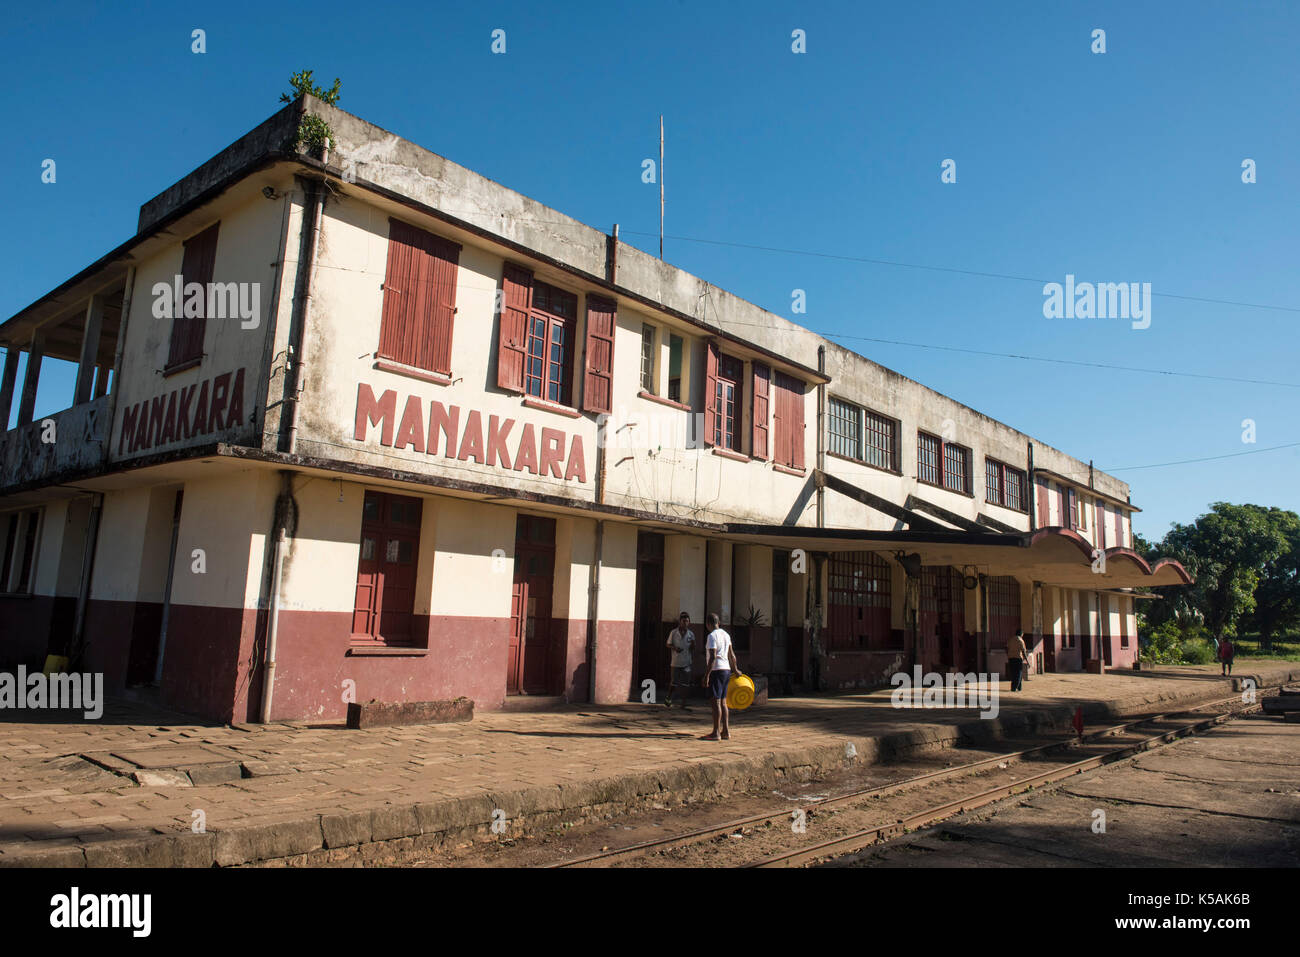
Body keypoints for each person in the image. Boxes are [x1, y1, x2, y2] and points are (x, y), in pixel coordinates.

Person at [701, 613, 740, 741]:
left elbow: (712, 657)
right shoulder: (726, 635)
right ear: (719, 622)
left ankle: (716, 732)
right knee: (723, 701)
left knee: (715, 701)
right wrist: (735, 670)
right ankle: (726, 731)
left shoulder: (711, 636)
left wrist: (707, 675)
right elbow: (732, 655)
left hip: (716, 670)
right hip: (726, 669)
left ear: (708, 624)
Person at [664, 612, 695, 710]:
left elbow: (693, 648)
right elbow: (668, 644)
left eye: (687, 621)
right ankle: (668, 698)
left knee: (686, 684)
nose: (685, 623)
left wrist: (693, 644)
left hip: (687, 662)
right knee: (673, 682)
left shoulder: (691, 634)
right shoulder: (674, 632)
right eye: (683, 621)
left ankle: (683, 703)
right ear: (680, 622)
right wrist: (674, 648)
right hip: (675, 662)